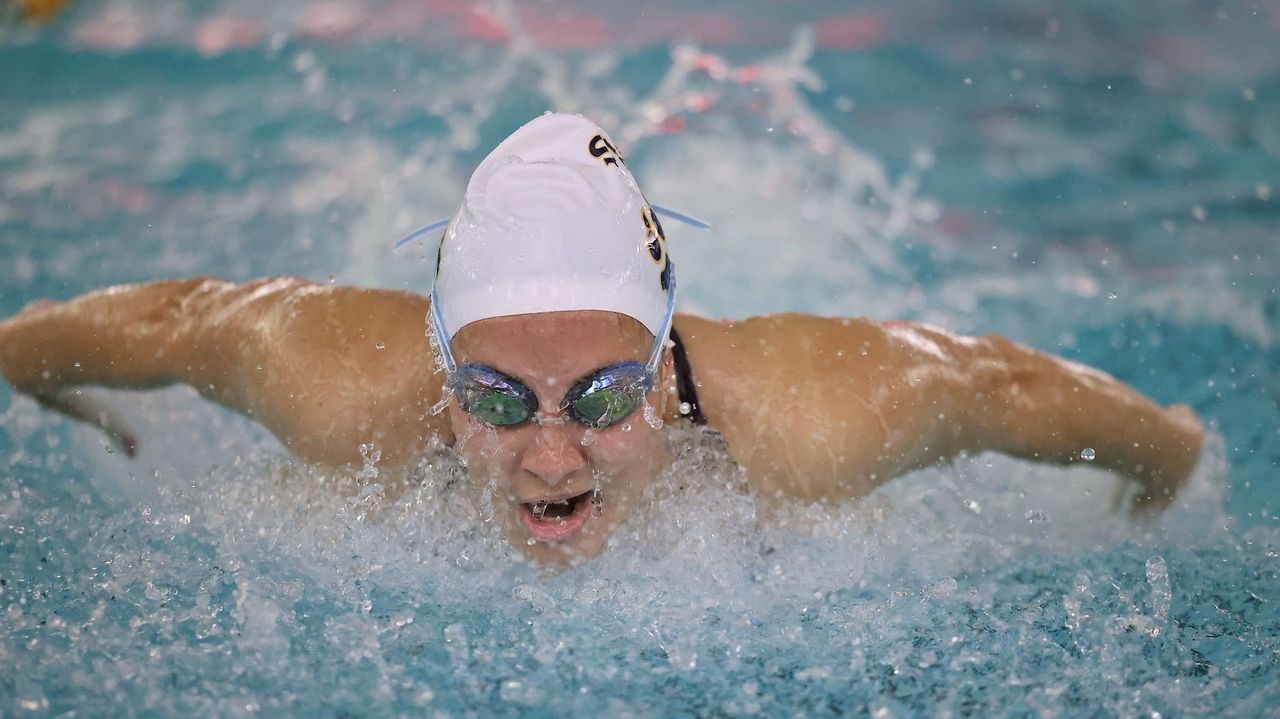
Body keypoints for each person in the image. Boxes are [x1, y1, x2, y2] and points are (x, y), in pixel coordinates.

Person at [0, 113, 1204, 565]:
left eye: (605, 394)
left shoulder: (816, 414)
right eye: (499, 398)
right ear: (441, 368)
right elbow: (173, 320)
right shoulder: (330, 381)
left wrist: (1160, 468)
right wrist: (46, 384)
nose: (552, 457)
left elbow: (998, 384)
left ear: (666, 360)